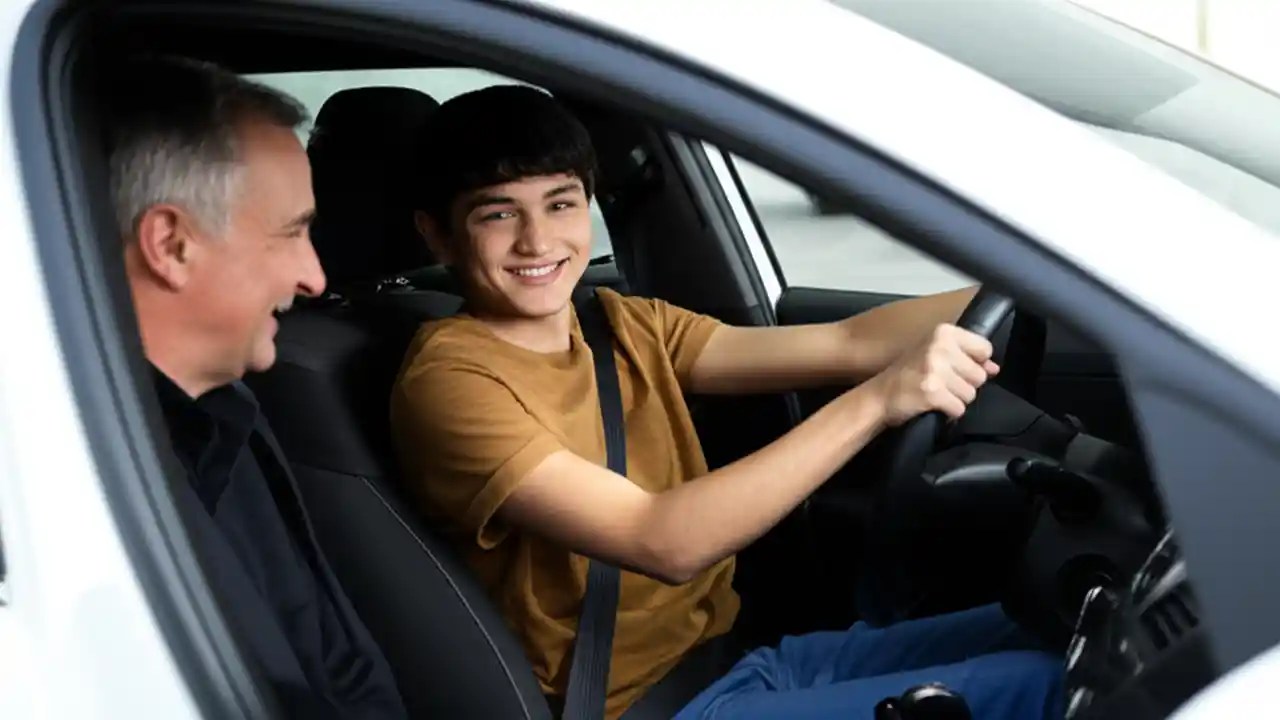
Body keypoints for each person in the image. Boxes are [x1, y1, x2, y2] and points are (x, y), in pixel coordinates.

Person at [389, 85, 1063, 720]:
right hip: (641, 706)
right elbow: (661, 539)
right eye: (499, 214)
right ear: (438, 235)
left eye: (561, 204)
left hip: (734, 662)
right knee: (1043, 688)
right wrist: (877, 402)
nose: (537, 241)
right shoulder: (451, 382)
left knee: (1059, 620)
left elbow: (847, 341)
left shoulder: (619, 324)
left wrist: (1050, 284)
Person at [106, 56, 407, 719]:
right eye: (293, 232)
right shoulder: (78, 472)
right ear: (172, 245)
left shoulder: (229, 415)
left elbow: (339, 662)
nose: (315, 278)